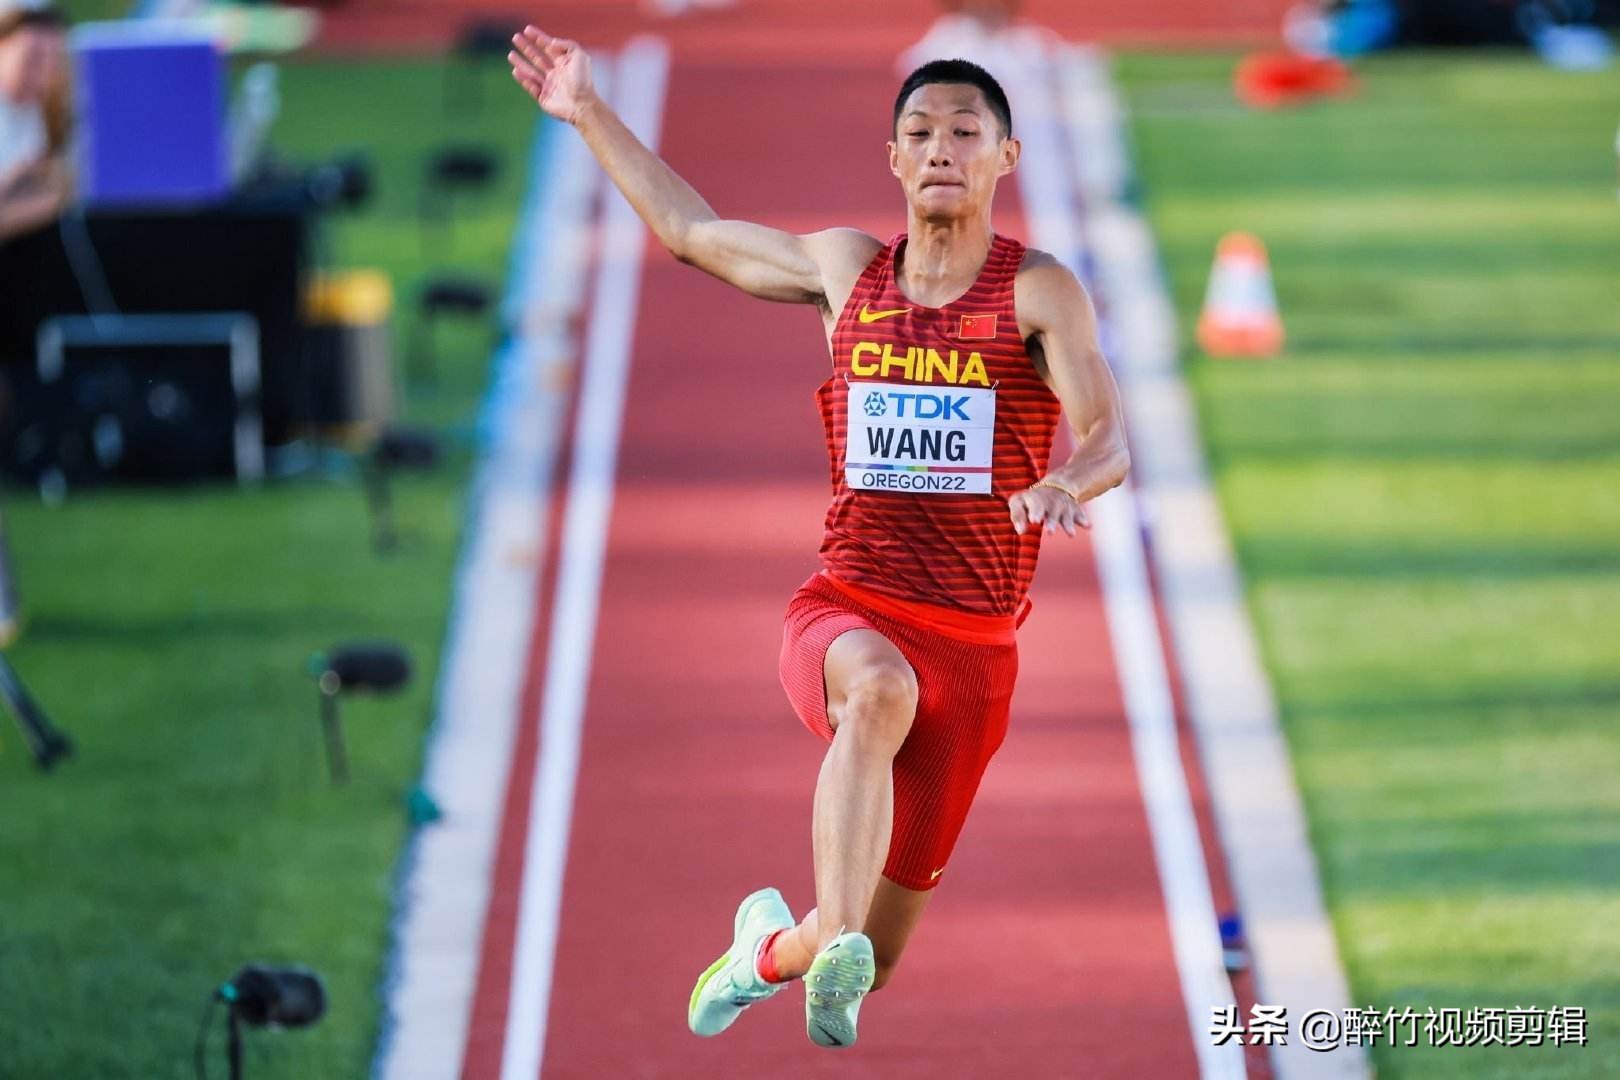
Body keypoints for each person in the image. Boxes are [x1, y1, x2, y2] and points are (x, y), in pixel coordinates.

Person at [509, 27, 1129, 1049]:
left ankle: (769, 951)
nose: (941, 148)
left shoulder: (1037, 292)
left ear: (1004, 158)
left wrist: (1070, 475)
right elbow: (692, 233)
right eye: (920, 131)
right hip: (850, 609)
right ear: (893, 159)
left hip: (976, 660)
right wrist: (587, 111)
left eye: (966, 131)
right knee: (879, 694)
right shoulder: (849, 273)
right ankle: (828, 932)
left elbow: (1109, 432)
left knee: (874, 965)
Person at [0, 1, 71, 244]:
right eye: (33, 59)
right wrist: (60, 201)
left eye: (53, 62)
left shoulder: (33, 110)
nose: (42, 75)